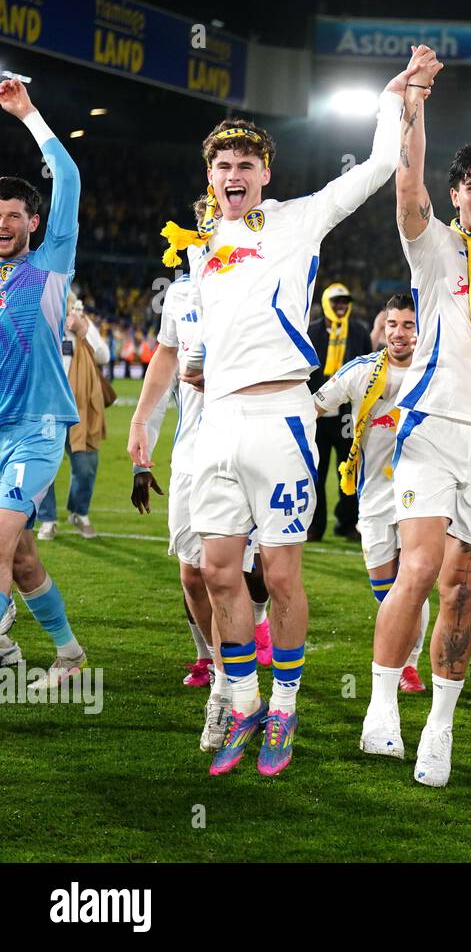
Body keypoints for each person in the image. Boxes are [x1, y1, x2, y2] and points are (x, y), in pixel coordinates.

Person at [159, 47, 419, 777]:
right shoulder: (201, 249)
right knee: (216, 572)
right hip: (216, 421)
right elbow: (207, 331)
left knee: (277, 575)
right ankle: (240, 704)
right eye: (222, 167)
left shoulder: (298, 221)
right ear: (209, 179)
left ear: (264, 175)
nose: (233, 176)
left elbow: (374, 169)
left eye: (246, 165)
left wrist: (390, 99)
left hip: (280, 419)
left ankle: (285, 704)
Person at [359, 49, 471, 786]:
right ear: (456, 195)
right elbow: (406, 183)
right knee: (419, 569)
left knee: (462, 586)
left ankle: (442, 726)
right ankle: (382, 705)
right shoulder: (434, 247)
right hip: (429, 423)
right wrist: (415, 100)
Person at [129, 272, 271, 753]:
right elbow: (166, 356)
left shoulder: (262, 276)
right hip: (190, 457)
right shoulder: (181, 293)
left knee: (221, 574)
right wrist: (140, 423)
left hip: (239, 452)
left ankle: (224, 690)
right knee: (192, 577)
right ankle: (222, 662)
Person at [0, 76, 86, 688]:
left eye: (12, 215)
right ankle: (69, 655)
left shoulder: (50, 264)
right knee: (22, 557)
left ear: (33, 220)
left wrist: (29, 114)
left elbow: (70, 180)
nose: (2, 224)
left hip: (36, 428)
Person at [314, 295, 428, 696]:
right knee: (385, 588)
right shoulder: (362, 372)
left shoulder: (437, 371)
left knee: (413, 581)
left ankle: (408, 665)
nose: (399, 333)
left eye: (409, 325)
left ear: (422, 328)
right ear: (383, 328)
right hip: (375, 494)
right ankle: (400, 658)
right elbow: (315, 406)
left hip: (423, 492)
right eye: (393, 324)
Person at [35, 295, 108, 540]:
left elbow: (103, 356)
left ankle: (79, 512)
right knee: (44, 465)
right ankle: (47, 519)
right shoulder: (39, 323)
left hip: (80, 410)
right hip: (47, 407)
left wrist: (83, 329)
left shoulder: (81, 323)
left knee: (86, 465)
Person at [306, 282, 373, 542]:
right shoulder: (311, 333)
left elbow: (369, 366)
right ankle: (315, 525)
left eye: (345, 301)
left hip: (346, 414)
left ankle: (348, 523)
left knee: (349, 470)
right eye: (336, 301)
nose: (341, 306)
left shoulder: (357, 331)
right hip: (317, 413)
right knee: (316, 473)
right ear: (326, 304)